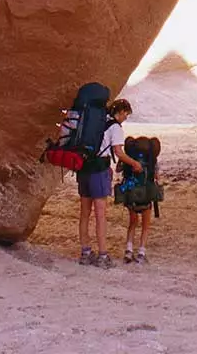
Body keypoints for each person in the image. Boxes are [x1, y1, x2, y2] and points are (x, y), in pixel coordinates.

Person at [54, 97, 142, 267]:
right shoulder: (115, 127)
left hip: (83, 168)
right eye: (126, 115)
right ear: (121, 112)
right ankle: (103, 255)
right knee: (101, 215)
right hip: (99, 171)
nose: (125, 118)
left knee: (84, 213)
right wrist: (134, 163)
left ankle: (85, 252)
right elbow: (118, 151)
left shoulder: (96, 122)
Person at [119, 135, 160, 264]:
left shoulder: (129, 159)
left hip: (131, 197)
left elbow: (118, 169)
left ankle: (129, 250)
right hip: (146, 197)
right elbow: (157, 177)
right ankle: (141, 252)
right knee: (145, 225)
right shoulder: (152, 161)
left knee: (132, 223)